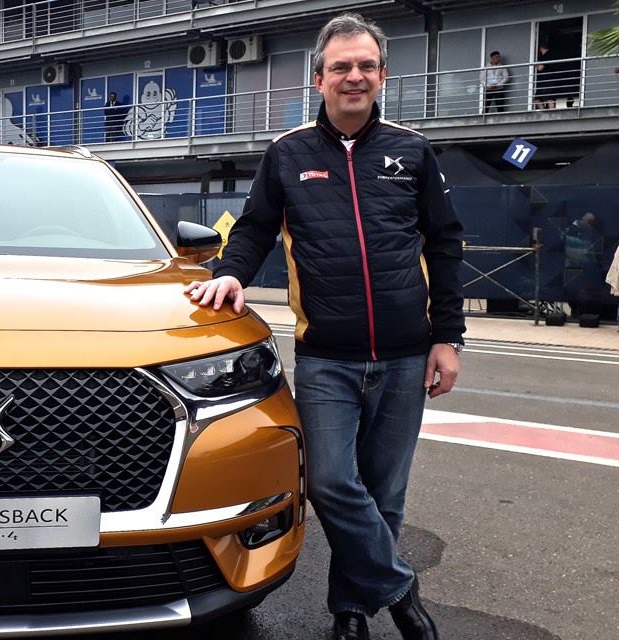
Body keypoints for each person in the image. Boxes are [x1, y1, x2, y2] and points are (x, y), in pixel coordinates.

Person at [185, 13, 464, 640]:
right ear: (319, 79)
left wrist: (447, 338)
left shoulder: (411, 150)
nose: (354, 76)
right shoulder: (288, 154)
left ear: (382, 74)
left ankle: (351, 611)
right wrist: (230, 271)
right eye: (341, 66)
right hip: (326, 357)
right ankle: (401, 588)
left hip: (404, 354)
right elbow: (255, 226)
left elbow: (445, 245)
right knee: (334, 481)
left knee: (385, 494)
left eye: (366, 65)